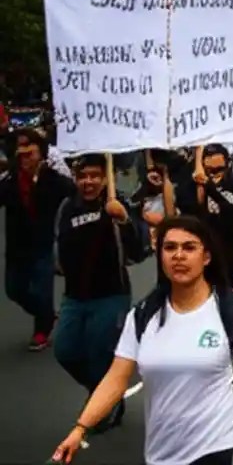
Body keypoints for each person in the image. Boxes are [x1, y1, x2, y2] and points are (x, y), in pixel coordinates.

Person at [51, 216, 233, 465]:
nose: (178, 256)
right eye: (170, 248)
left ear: (206, 257)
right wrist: (80, 428)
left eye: (189, 247)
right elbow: (116, 379)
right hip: (162, 452)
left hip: (221, 443)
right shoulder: (142, 316)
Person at [53, 154, 149, 431]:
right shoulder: (68, 207)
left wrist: (124, 222)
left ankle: (105, 404)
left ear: (106, 178)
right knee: (65, 350)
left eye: (95, 176)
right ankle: (105, 394)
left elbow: (138, 250)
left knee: (99, 351)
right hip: (74, 296)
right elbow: (60, 244)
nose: (88, 181)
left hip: (110, 294)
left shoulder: (119, 204)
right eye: (83, 176)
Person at [0, 127, 72, 351]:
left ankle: (41, 329)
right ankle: (48, 316)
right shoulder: (10, 179)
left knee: (42, 288)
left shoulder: (53, 178)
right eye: (20, 154)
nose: (24, 159)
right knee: (14, 289)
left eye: (29, 153)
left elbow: (74, 194)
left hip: (44, 244)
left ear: (40, 153)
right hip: (17, 246)